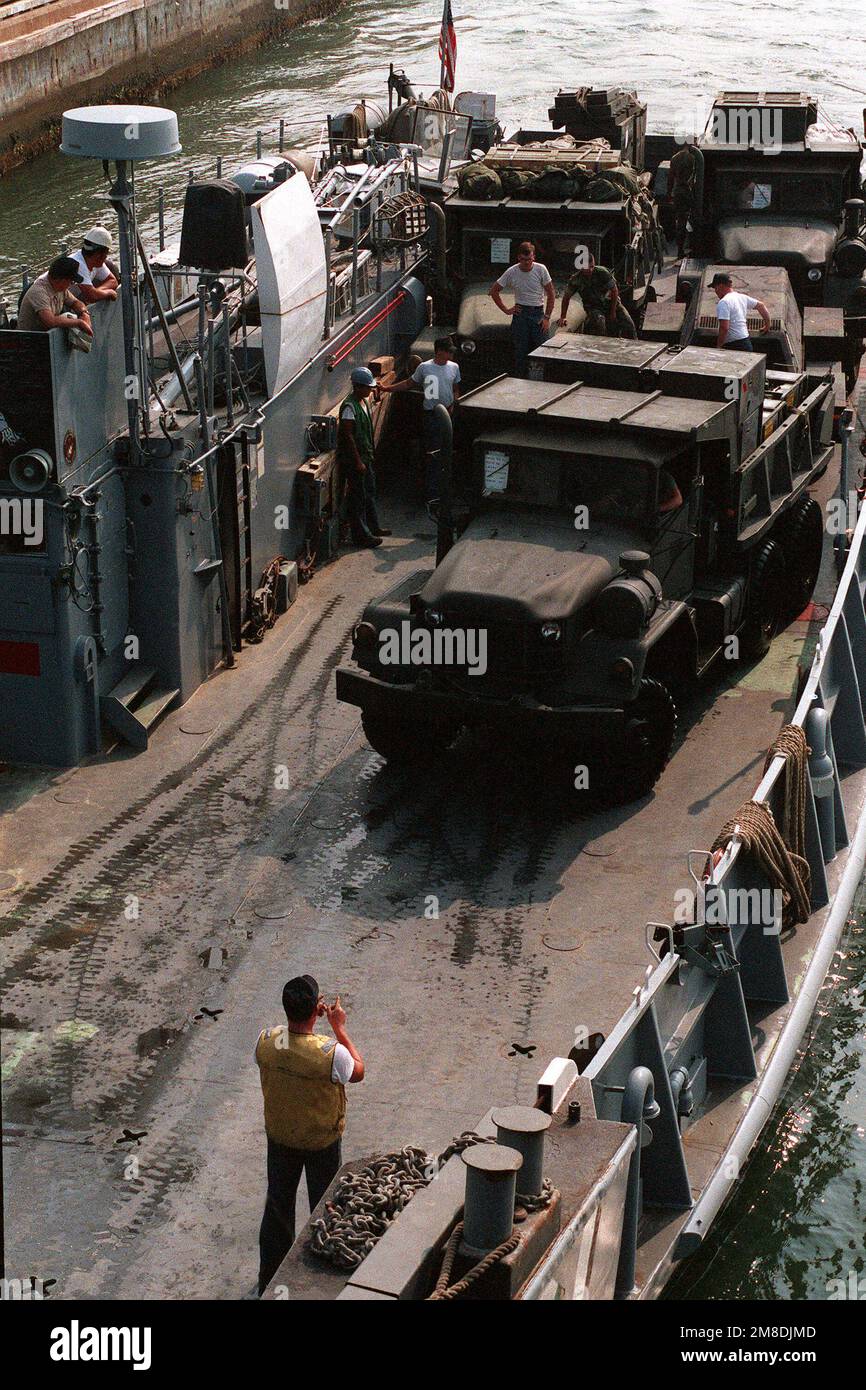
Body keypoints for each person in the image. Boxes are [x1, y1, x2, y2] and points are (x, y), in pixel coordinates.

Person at [256, 974, 364, 1295]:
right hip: (322, 1144)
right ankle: (321, 1285)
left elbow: (282, 1044)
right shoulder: (332, 1054)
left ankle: (270, 1282)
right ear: (317, 1007)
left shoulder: (266, 1041)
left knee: (277, 1209)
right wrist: (338, 1027)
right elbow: (358, 1070)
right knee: (327, 1209)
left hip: (280, 1140)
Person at [379, 337, 460, 513]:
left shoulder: (454, 367)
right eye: (448, 351)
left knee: (446, 454)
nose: (451, 354)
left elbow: (455, 387)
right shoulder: (425, 368)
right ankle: (432, 496)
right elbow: (409, 384)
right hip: (431, 416)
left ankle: (443, 492)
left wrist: (454, 403)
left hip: (447, 416)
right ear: (439, 351)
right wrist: (387, 388)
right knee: (432, 455)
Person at [338, 366, 390, 547]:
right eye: (368, 388)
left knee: (370, 492)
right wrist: (358, 461)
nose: (370, 390)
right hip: (356, 461)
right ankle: (362, 536)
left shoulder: (364, 403)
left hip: (366, 457)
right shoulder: (349, 407)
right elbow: (348, 436)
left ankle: (374, 527)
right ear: (358, 387)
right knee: (358, 497)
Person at [489, 241, 555, 376]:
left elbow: (551, 294)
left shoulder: (541, 269)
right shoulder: (512, 272)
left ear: (533, 257)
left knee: (542, 348)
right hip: (521, 313)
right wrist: (506, 310)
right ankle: (519, 378)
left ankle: (541, 379)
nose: (526, 263)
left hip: (537, 312)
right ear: (519, 258)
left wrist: (547, 317)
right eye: (524, 260)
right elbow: (494, 290)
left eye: (529, 259)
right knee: (520, 351)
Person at [558, 254, 636, 339]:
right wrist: (563, 317)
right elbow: (566, 298)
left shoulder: (602, 273)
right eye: (587, 268)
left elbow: (614, 290)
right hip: (594, 307)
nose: (590, 270)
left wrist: (613, 312)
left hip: (611, 303)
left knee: (629, 324)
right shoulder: (576, 279)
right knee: (599, 324)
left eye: (592, 266)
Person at [16, 256, 93, 338]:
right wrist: (79, 323)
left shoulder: (60, 288)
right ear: (60, 280)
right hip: (29, 339)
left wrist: (84, 313)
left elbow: (75, 302)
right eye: (71, 282)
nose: (71, 285)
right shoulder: (39, 292)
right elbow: (50, 321)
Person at [710, 272, 770, 352]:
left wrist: (719, 346)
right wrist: (767, 325)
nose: (715, 291)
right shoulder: (741, 297)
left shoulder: (724, 302)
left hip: (734, 346)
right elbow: (761, 306)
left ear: (720, 286)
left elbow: (724, 327)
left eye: (715, 288)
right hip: (746, 343)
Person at [70, 226, 119, 304]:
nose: (106, 257)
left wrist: (97, 291)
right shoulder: (77, 264)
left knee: (111, 266)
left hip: (73, 298)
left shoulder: (94, 261)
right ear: (99, 255)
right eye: (106, 254)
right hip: (57, 305)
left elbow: (113, 281)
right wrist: (108, 292)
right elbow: (92, 297)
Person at [669, 141, 697, 260]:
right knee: (695, 219)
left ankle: (680, 250)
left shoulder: (675, 158)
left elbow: (670, 178)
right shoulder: (695, 157)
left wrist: (669, 193)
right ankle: (694, 248)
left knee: (680, 221)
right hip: (691, 192)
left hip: (678, 192)